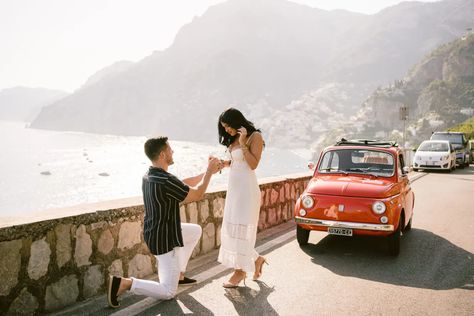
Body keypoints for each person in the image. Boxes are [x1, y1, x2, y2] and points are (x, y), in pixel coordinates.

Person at [107, 136, 221, 308]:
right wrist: (210, 173)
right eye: (169, 149)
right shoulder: (165, 180)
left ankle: (179, 275)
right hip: (165, 238)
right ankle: (125, 283)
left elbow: (182, 185)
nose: (172, 151)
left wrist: (207, 171)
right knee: (168, 291)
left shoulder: (151, 175)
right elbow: (197, 194)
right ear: (162, 154)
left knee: (195, 231)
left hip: (155, 231)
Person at [216, 107, 268, 288]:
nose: (227, 130)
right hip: (234, 190)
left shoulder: (255, 137)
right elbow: (239, 161)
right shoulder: (233, 138)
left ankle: (240, 271)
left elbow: (252, 164)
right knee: (232, 230)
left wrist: (243, 141)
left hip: (247, 190)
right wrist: (225, 163)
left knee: (242, 230)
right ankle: (257, 259)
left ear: (237, 121)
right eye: (224, 127)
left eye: (228, 126)